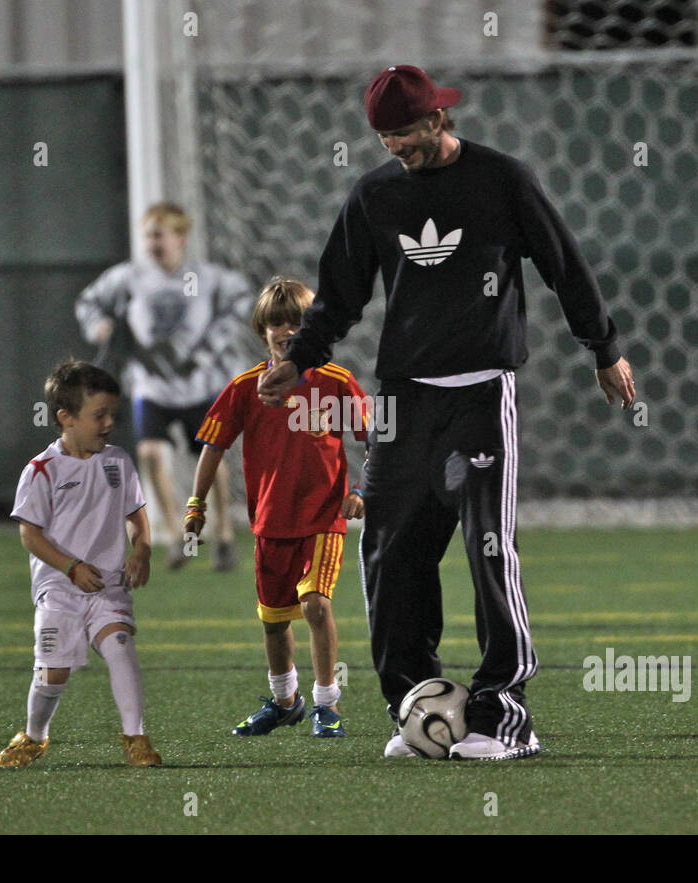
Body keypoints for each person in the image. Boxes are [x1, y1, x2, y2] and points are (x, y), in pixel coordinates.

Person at [257, 65, 637, 761]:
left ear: (438, 121)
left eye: (404, 132)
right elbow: (341, 294)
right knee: (392, 552)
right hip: (404, 398)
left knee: (488, 548)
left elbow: (563, 263)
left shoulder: (503, 180)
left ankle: (503, 714)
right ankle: (415, 703)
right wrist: (301, 360)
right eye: (383, 136)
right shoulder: (374, 195)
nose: (394, 146)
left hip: (482, 393)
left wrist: (603, 347)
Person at [186, 277, 367, 738]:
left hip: (323, 517)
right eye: (276, 323)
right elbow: (213, 445)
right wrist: (197, 503)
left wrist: (363, 489)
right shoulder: (246, 386)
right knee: (272, 621)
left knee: (315, 605)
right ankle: (285, 701)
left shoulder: (336, 382)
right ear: (261, 330)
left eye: (298, 322)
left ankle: (327, 704)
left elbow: (377, 437)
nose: (287, 331)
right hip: (270, 521)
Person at [0, 359, 160, 769]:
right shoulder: (41, 472)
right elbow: (29, 535)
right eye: (98, 415)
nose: (108, 423)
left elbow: (137, 517)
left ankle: (135, 737)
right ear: (65, 418)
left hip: (107, 585)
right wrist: (70, 567)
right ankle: (34, 737)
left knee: (121, 648)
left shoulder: (118, 462)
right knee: (54, 674)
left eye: (112, 415)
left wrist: (142, 550)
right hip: (59, 589)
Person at [76, 202, 253, 572]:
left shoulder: (207, 278)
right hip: (151, 385)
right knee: (152, 455)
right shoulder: (129, 277)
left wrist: (215, 343)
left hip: (199, 384)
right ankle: (177, 536)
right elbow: (89, 302)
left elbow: (242, 300)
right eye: (147, 235)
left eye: (159, 235)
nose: (151, 243)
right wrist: (99, 328)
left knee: (209, 460)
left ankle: (221, 533)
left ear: (181, 237)